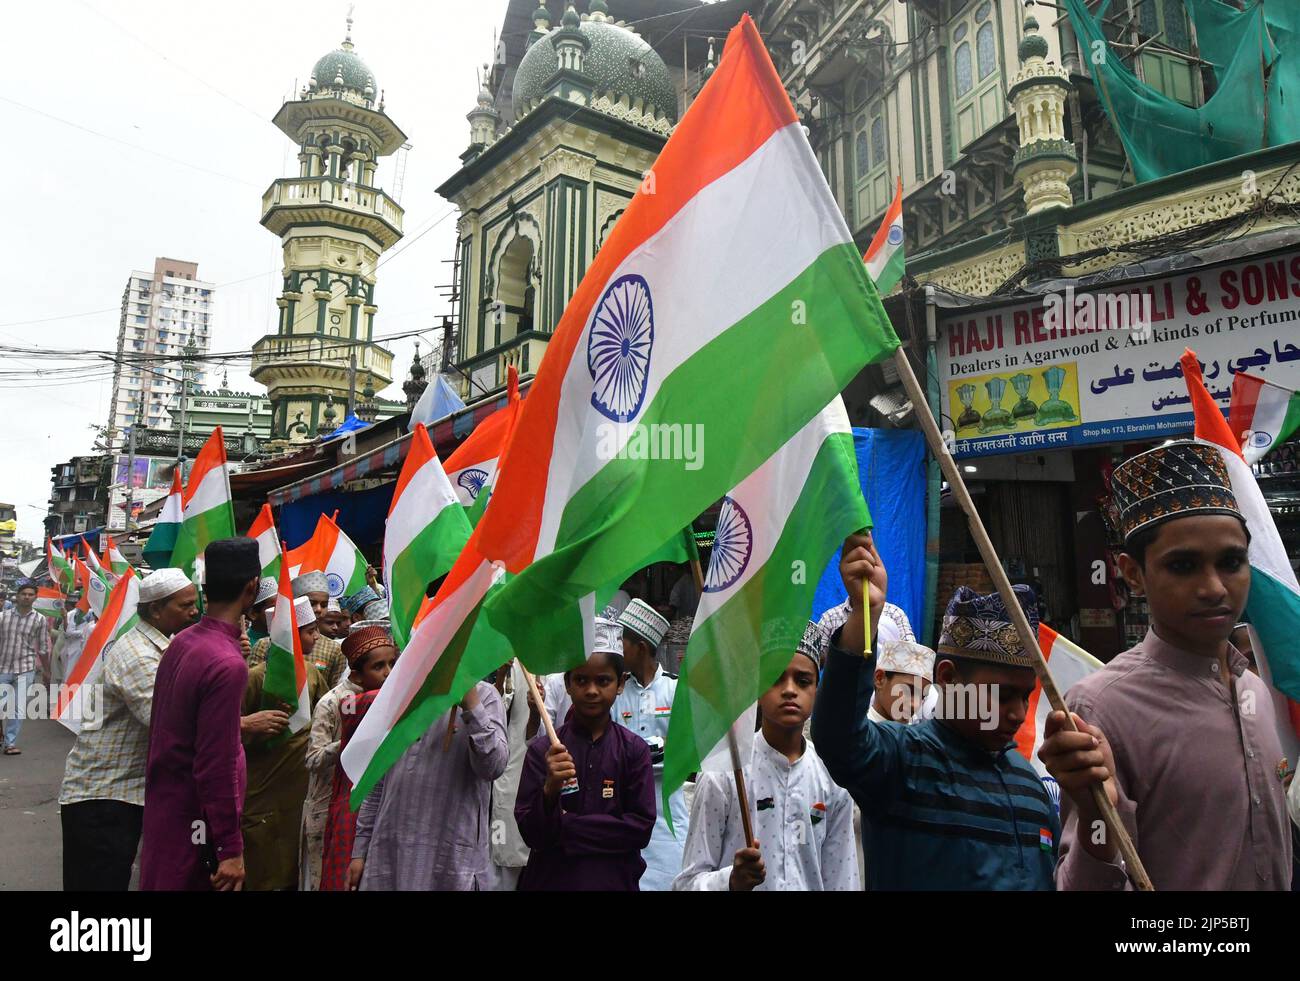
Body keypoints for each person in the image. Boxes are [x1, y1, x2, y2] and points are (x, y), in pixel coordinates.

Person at [1040, 441, 1292, 890]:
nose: (1214, 587)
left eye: (1231, 562)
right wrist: (1100, 822)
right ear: (1132, 573)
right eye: (1183, 566)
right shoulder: (1100, 709)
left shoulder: (1256, 690)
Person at [813, 533, 1058, 890]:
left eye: (1025, 696)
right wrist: (866, 616)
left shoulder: (1030, 786)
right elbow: (838, 738)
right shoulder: (901, 761)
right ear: (947, 677)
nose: (1019, 714)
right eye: (1003, 695)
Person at [675, 626, 859, 891]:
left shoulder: (833, 777)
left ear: (817, 691)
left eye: (803, 681)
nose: (789, 690)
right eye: (775, 678)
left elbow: (843, 880)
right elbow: (686, 883)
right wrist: (729, 880)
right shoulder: (724, 771)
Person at [59, 569, 197, 891]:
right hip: (102, 793)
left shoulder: (166, 646)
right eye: (185, 605)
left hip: (124, 792)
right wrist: (243, 725)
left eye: (195, 603)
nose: (194, 611)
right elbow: (167, 721)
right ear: (156, 610)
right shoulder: (137, 654)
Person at [141, 539, 261, 891]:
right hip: (197, 823)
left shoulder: (184, 641)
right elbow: (216, 762)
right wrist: (229, 848)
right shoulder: (226, 663)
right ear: (251, 587)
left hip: (169, 814)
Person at [348, 666, 508, 890]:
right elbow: (376, 781)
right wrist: (360, 850)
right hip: (388, 856)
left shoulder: (485, 696)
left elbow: (494, 768)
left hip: (449, 862)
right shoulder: (399, 696)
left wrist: (472, 707)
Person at [515, 643, 656, 890]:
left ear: (620, 684)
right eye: (581, 680)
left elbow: (640, 830)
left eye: (603, 681)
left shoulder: (634, 751)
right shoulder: (543, 752)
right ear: (567, 684)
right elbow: (532, 835)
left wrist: (567, 825)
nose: (591, 690)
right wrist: (549, 791)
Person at [240, 595, 330, 890]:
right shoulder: (253, 679)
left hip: (301, 785)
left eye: (316, 629)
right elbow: (230, 732)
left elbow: (325, 720)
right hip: (261, 786)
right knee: (262, 859)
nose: (316, 636)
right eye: (309, 631)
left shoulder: (314, 675)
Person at [301, 621, 396, 890]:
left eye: (391, 664)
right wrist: (349, 742)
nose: (388, 673)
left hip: (372, 807)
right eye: (378, 667)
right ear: (356, 673)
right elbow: (312, 759)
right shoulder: (333, 702)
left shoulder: (390, 699)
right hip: (329, 804)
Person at [613, 600, 688, 890]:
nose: (620, 649)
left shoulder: (675, 689)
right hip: (626, 809)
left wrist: (645, 751)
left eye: (624, 642)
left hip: (668, 813)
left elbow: (686, 746)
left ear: (641, 647)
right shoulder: (617, 693)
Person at [488, 657, 543, 891]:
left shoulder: (571, 667)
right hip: (514, 772)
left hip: (557, 775)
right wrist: (501, 674)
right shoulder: (516, 662)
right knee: (504, 860)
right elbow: (495, 710)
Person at [249, 571, 346, 686]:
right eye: (312, 603)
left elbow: (333, 694)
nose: (319, 609)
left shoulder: (334, 649)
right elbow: (253, 685)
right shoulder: (266, 644)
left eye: (324, 605)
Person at [0, 579, 53, 755]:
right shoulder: (3, 617)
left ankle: (10, 743)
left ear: (35, 598)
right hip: (3, 667)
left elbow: (43, 648)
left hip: (26, 667)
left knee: (18, 707)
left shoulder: (40, 619)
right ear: (17, 596)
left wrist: (46, 670)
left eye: (30, 595)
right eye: (23, 594)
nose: (26, 597)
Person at [869, 640, 935, 724]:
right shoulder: (858, 733)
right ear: (880, 679)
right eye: (909, 691)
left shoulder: (915, 734)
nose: (915, 704)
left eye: (922, 697)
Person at [246, 577, 277, 649]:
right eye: (273, 608)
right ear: (253, 613)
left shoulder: (287, 638)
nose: (279, 612)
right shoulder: (245, 646)